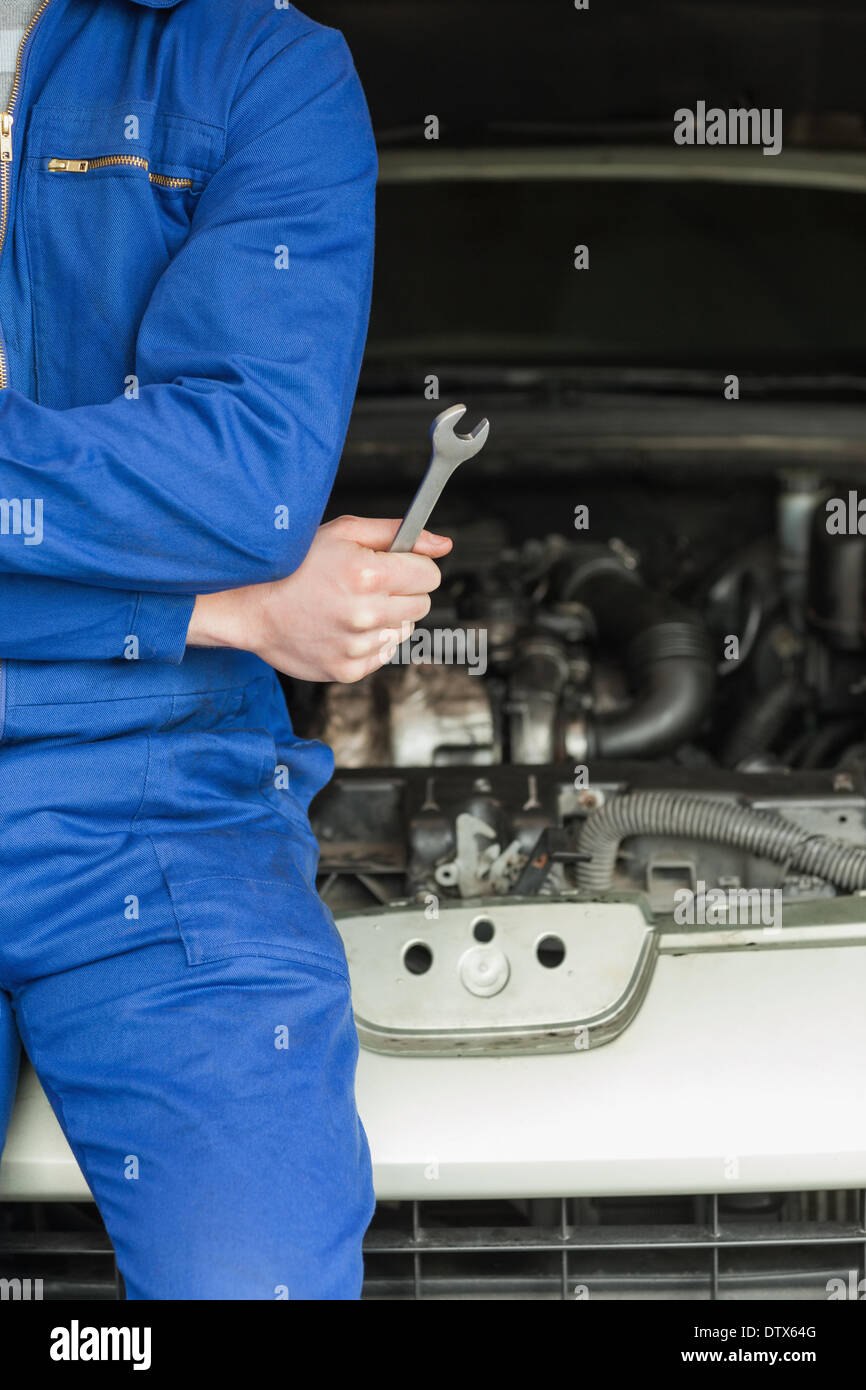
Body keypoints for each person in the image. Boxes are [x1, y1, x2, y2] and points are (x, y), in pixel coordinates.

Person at [0, 0, 449, 1299]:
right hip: (188, 690)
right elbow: (233, 542)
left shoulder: (254, 59)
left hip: (161, 813)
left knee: (247, 1280)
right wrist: (225, 611)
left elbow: (243, 487)